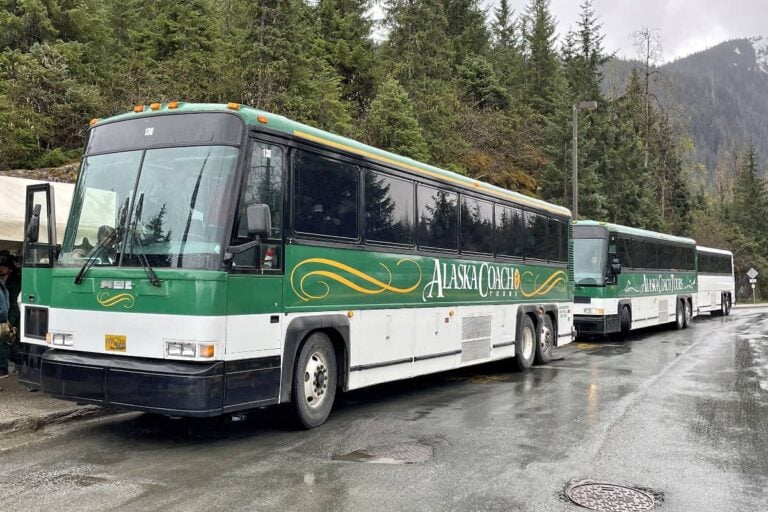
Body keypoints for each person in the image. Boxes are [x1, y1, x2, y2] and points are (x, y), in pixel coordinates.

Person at [0, 251, 19, 379]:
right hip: (6, 317)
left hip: (10, 317)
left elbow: (14, 303)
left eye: (3, 266)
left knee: (8, 343)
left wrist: (10, 321)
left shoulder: (14, 282)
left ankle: (4, 369)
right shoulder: (3, 280)